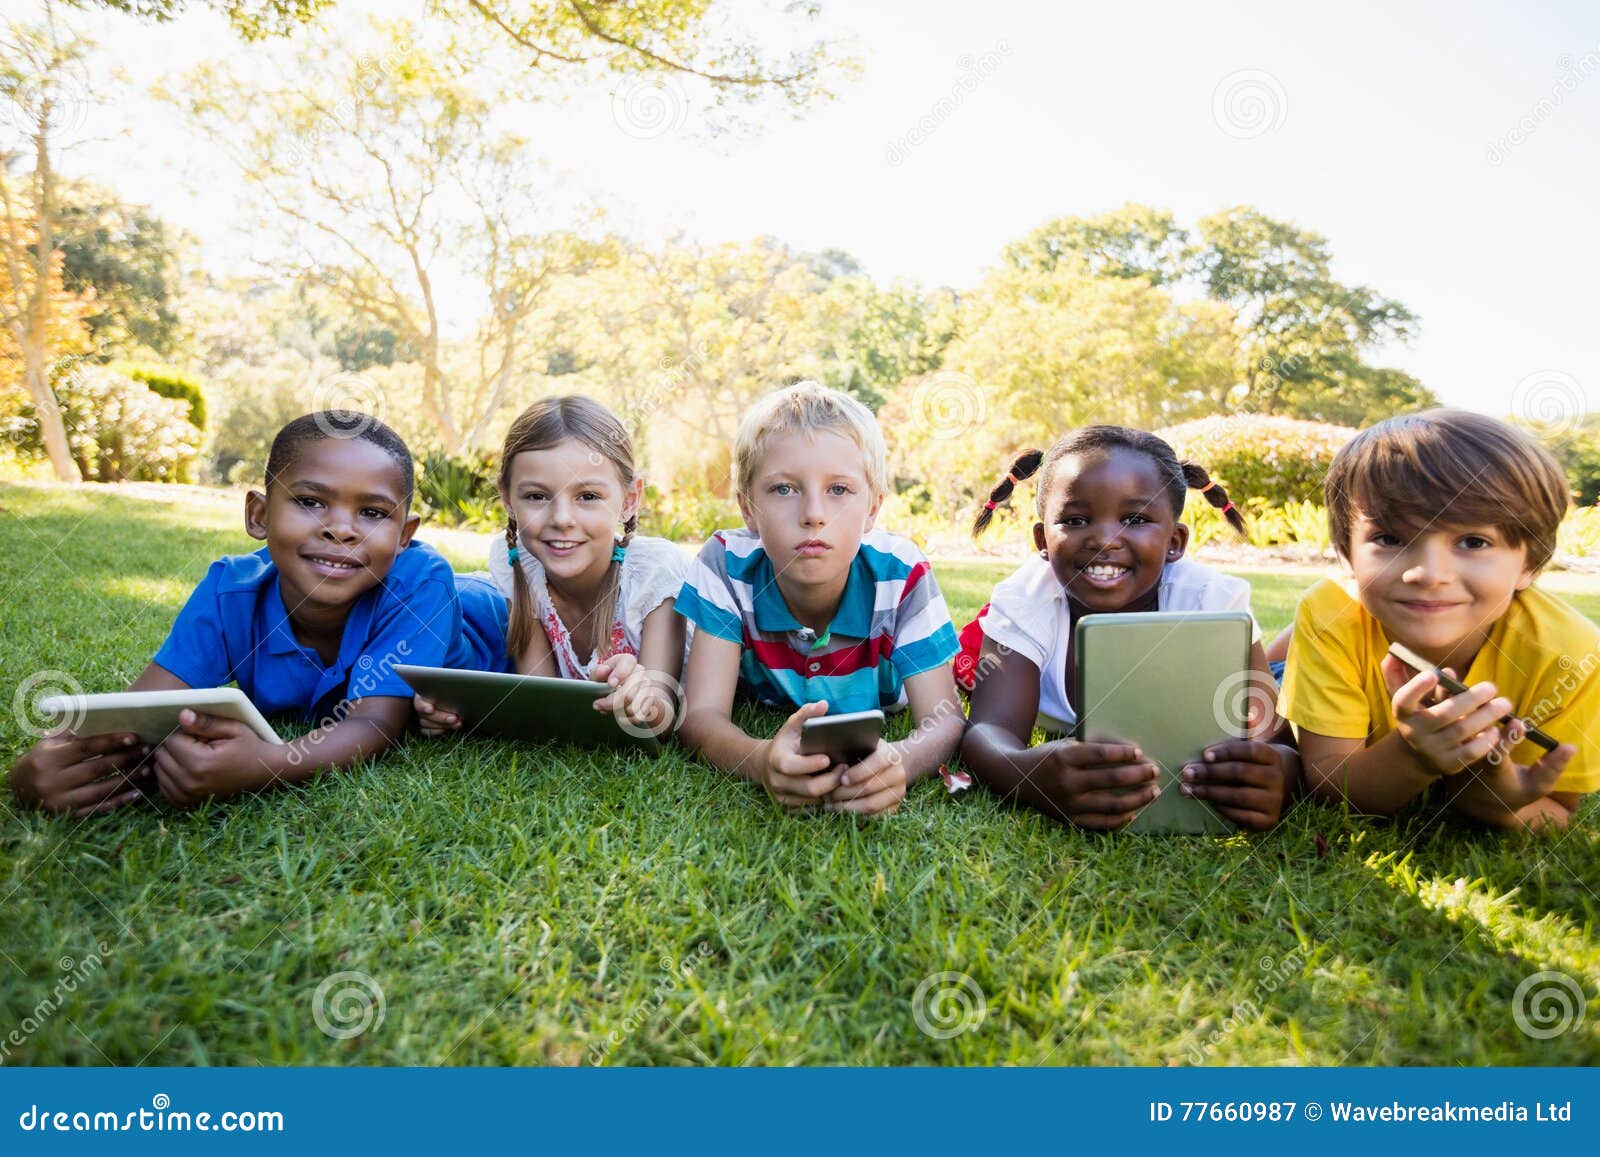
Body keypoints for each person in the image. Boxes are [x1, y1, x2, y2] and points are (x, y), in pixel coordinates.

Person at [959, 425, 1298, 831]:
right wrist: (1026, 775)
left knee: (1280, 674)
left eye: (1135, 519)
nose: (1104, 539)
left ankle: (1290, 645)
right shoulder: (1025, 599)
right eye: (1076, 519)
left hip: (1259, 666)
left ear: (1175, 542)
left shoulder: (1210, 600)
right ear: (1042, 540)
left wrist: (1278, 772)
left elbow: (1278, 744)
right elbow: (989, 731)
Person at [1281, 409, 1596, 830]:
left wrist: (1492, 805)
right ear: (1346, 555)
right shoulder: (1328, 612)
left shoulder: (1574, 655)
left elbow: (1558, 808)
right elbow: (1329, 784)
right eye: (1389, 538)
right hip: (1310, 660)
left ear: (1530, 564)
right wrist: (1412, 756)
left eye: (1473, 541)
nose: (1428, 574)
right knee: (1264, 681)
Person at [675, 382, 964, 817]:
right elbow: (700, 718)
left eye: (839, 490)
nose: (813, 513)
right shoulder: (724, 566)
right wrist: (761, 761)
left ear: (873, 508)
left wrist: (898, 762)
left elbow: (944, 719)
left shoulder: (900, 572)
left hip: (887, 702)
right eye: (784, 489)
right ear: (747, 508)